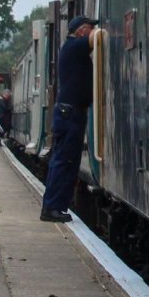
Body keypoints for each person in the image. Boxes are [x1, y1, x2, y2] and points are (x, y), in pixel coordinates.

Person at [40, 16, 96, 223]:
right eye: (90, 28)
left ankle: (56, 206)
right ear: (81, 31)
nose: (92, 31)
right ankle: (52, 206)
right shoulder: (73, 47)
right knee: (63, 161)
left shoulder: (73, 49)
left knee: (67, 161)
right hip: (69, 113)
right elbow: (96, 38)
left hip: (72, 112)